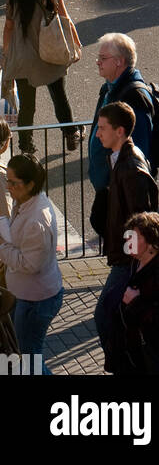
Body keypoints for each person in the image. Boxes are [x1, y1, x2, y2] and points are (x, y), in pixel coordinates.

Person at [93, 101, 159, 359]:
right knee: (116, 317)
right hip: (126, 258)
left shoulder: (130, 168)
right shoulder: (119, 159)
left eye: (102, 128)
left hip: (129, 262)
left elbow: (141, 221)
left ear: (119, 131)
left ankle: (124, 365)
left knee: (105, 315)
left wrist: (137, 268)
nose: (97, 133)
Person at [2, 0, 78, 155]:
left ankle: (26, 146)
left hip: (22, 57)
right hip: (48, 55)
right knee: (59, 96)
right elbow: (65, 19)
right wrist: (75, 45)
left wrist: (7, 54)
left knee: (27, 105)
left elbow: (8, 26)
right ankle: (70, 135)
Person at [104, 208, 159, 374]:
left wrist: (136, 303)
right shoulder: (139, 261)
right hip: (136, 361)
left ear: (151, 242)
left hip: (155, 365)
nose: (129, 241)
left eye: (135, 238)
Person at [0, 154, 63, 374]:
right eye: (6, 180)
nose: (8, 187)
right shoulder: (25, 200)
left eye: (13, 182)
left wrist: (1, 248)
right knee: (26, 356)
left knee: (30, 360)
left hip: (36, 301)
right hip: (26, 295)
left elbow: (29, 264)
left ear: (30, 184)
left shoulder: (37, 220)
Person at [87, 33, 154, 195]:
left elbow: (138, 150)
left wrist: (117, 185)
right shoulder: (109, 88)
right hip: (108, 185)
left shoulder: (135, 98)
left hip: (121, 189)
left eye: (103, 58)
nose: (98, 62)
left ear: (119, 61)